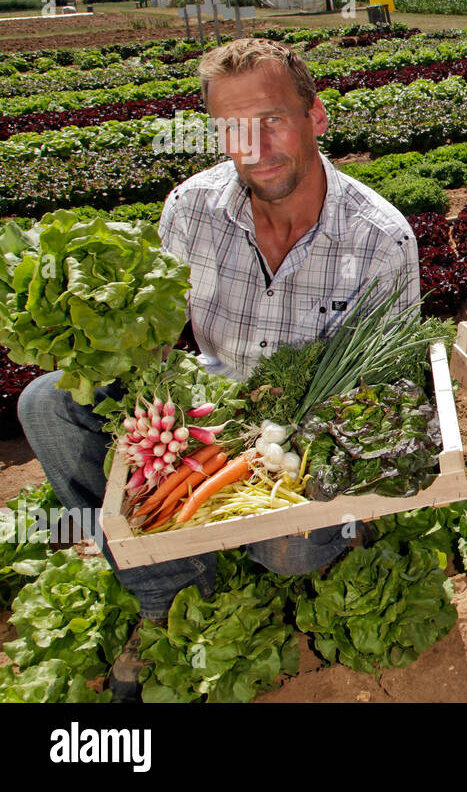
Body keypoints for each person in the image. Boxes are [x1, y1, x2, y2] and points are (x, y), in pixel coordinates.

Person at [17, 37, 419, 696]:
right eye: (232, 126)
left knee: (284, 551)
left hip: (301, 442)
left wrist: (292, 455)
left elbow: (384, 394)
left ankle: (329, 533)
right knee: (48, 405)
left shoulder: (380, 239)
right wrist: (123, 360)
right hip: (203, 414)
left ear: (317, 116)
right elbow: (159, 334)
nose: (253, 145)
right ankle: (164, 591)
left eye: (272, 119)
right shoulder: (190, 209)